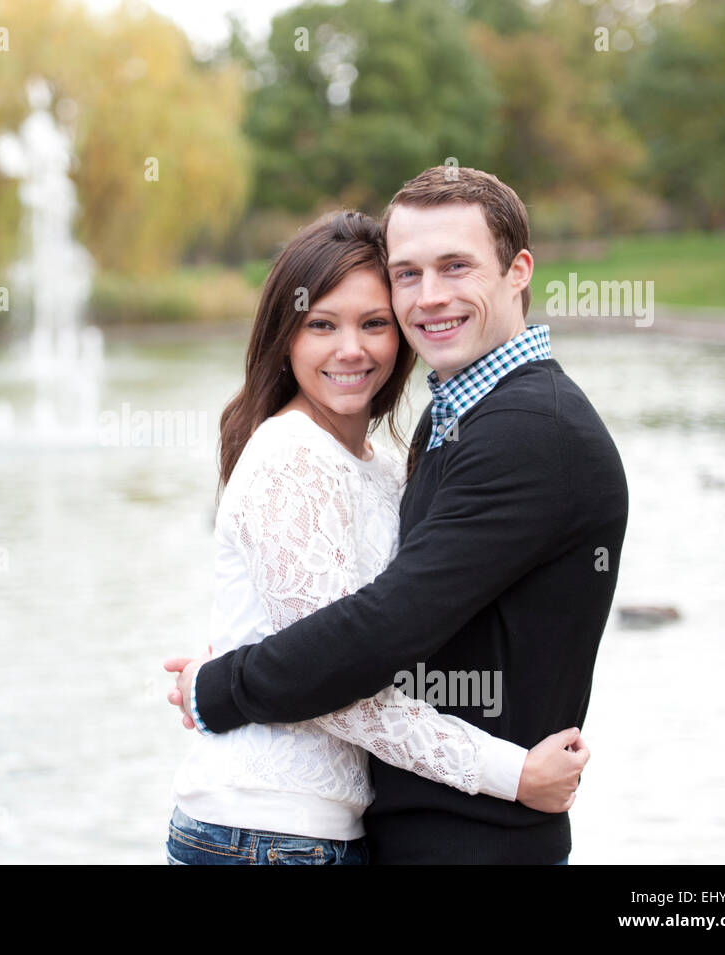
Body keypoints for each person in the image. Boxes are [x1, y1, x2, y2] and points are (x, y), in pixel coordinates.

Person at [169, 166, 629, 865]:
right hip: (307, 829)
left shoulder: (530, 431)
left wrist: (221, 684)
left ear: (518, 271)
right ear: (286, 335)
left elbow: (379, 630)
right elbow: (362, 639)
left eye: (455, 266)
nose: (431, 296)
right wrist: (241, 667)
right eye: (408, 274)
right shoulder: (437, 428)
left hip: (474, 840)